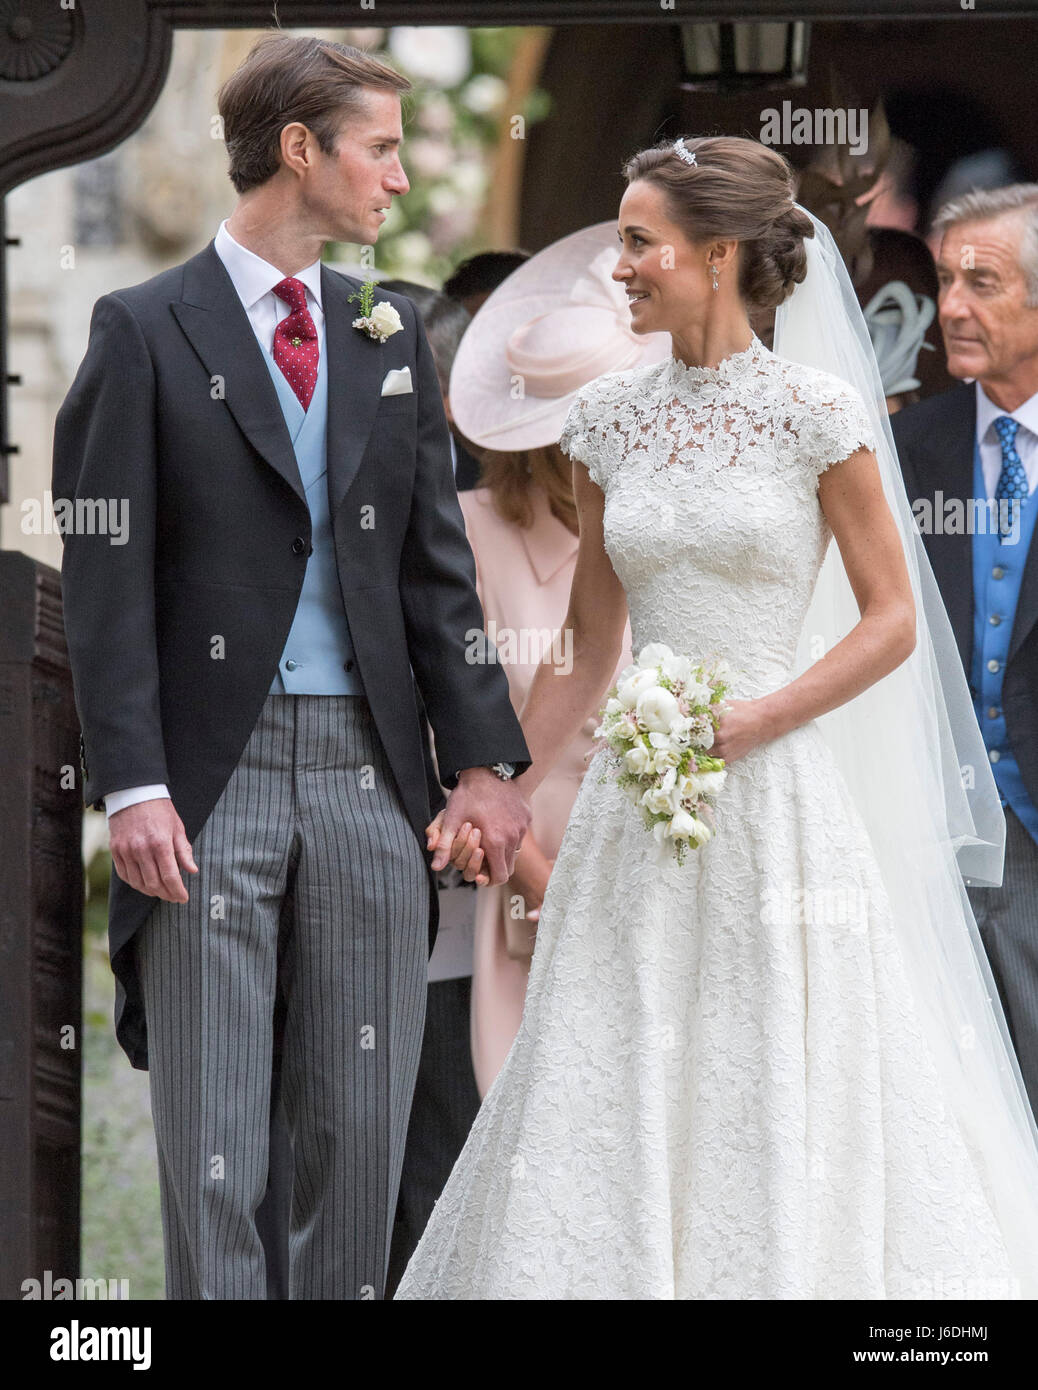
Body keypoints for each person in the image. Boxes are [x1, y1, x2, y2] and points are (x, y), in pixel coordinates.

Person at [397, 135, 1038, 1300]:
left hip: (780, 810)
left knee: (774, 1075)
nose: (622, 268)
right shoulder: (606, 425)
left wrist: (760, 718)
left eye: (641, 244)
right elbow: (592, 646)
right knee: (613, 1075)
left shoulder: (815, 411)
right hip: (635, 819)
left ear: (719, 252)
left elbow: (892, 619)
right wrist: (497, 776)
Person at [51, 32, 531, 1300]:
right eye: (379, 150)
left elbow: (438, 577)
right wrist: (135, 782)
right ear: (302, 149)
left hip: (376, 782)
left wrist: (480, 763)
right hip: (215, 784)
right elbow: (104, 579)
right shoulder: (142, 330)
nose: (395, 181)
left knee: (358, 1137)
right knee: (215, 1146)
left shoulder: (391, 333)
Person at [891, 184, 1038, 1119]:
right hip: (926, 827)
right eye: (946, 280)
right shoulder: (903, 447)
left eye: (981, 282)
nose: (949, 308)